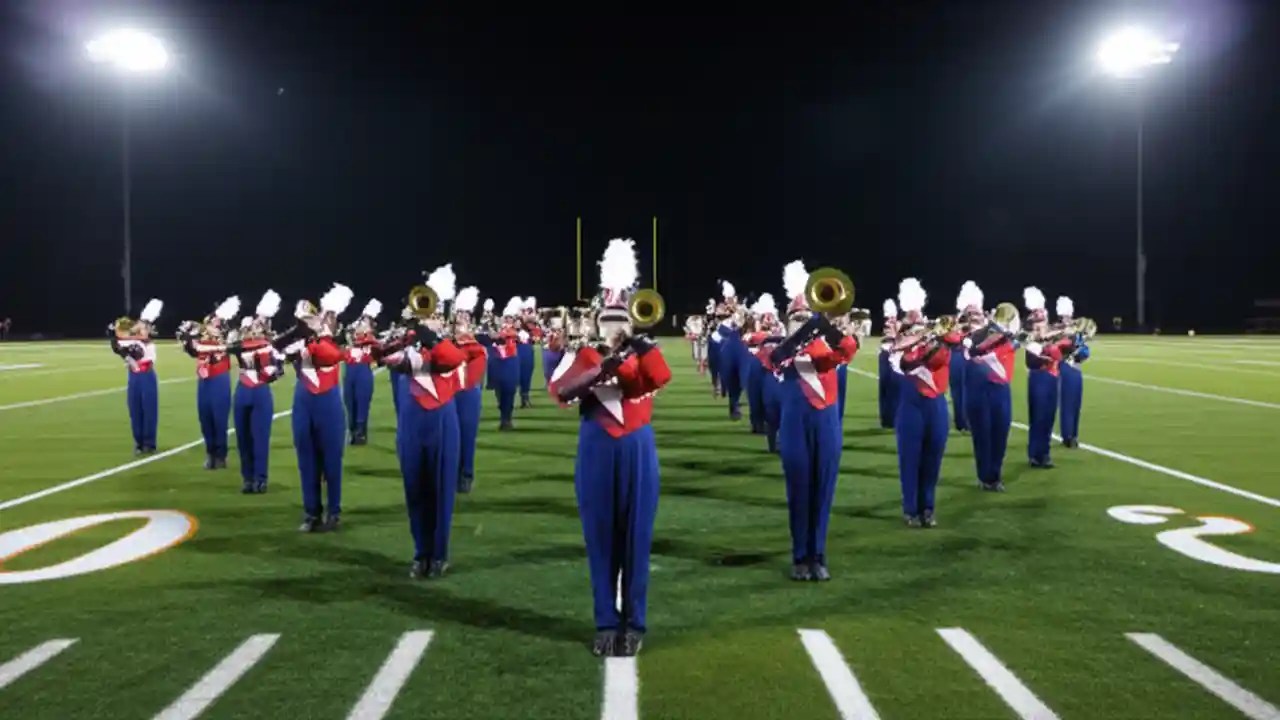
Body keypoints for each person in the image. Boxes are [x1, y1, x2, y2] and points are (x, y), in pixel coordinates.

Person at [550, 238, 671, 657]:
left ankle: (634, 622)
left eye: (623, 318)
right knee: (600, 538)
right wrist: (603, 363)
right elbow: (561, 392)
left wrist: (636, 345)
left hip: (637, 449)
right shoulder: (581, 354)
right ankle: (605, 620)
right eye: (609, 318)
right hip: (597, 449)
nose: (615, 326)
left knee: (637, 537)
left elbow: (657, 378)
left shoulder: (643, 352)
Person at [771, 260, 858, 580]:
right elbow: (773, 361)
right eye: (797, 317)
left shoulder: (829, 343)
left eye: (806, 316)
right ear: (788, 320)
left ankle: (818, 554)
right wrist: (800, 335)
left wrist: (825, 325)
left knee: (823, 488)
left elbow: (848, 350)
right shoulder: (779, 345)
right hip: (795, 422)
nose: (802, 321)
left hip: (827, 422)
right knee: (799, 488)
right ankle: (799, 556)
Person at [381, 309, 482, 579]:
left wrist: (428, 334)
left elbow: (451, 359)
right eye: (422, 316)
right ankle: (420, 553)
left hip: (441, 421)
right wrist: (406, 332)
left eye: (433, 315)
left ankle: (439, 554)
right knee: (414, 489)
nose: (427, 319)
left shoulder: (448, 344)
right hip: (411, 422)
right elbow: (382, 355)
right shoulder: (406, 342)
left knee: (440, 490)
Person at [277, 284, 352, 532]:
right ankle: (312, 513)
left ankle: (334, 511)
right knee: (306, 460)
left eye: (329, 316)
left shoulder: (335, 340)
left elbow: (328, 355)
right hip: (304, 402)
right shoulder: (302, 339)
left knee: (331, 461)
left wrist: (317, 334)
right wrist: (299, 331)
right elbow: (275, 350)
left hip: (328, 404)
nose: (323, 320)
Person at [892, 278, 962, 527]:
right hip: (911, 405)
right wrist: (919, 334)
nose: (916, 321)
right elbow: (903, 360)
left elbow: (955, 339)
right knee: (910, 459)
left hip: (937, 405)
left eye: (919, 317)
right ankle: (911, 509)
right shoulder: (900, 342)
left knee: (933, 459)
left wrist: (934, 333)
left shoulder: (939, 339)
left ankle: (928, 508)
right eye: (911, 322)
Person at [232, 290, 285, 494]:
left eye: (257, 327)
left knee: (260, 437)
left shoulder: (271, 346)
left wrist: (270, 370)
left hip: (260, 391)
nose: (253, 329)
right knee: (243, 437)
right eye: (251, 327)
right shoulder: (240, 344)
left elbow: (278, 370)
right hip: (243, 389)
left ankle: (261, 478)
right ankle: (247, 478)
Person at [178, 296, 239, 471]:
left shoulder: (227, 337)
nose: (212, 326)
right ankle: (210, 453)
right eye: (211, 322)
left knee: (219, 418)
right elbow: (193, 351)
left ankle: (221, 455)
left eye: (215, 323)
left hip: (219, 379)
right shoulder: (203, 338)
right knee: (205, 418)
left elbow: (230, 346)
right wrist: (187, 340)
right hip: (204, 380)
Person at [966, 302, 1019, 492]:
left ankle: (995, 476)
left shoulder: (1011, 335)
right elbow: (973, 351)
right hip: (982, 390)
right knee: (983, 435)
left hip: (1002, 389)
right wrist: (995, 335)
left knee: (1000, 435)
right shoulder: (978, 334)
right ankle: (984, 476)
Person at [109, 299, 162, 455]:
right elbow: (116, 345)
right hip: (133, 377)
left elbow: (137, 352)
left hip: (146, 375)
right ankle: (138, 442)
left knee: (149, 410)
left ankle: (149, 443)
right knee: (135, 410)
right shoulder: (130, 339)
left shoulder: (147, 342)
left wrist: (127, 348)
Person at [451, 285, 487, 493]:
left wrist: (463, 341)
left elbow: (473, 371)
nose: (458, 326)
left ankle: (466, 474)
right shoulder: (448, 344)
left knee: (466, 435)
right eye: (456, 322)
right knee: (449, 437)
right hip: (448, 395)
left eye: (463, 322)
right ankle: (450, 474)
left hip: (466, 395)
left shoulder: (475, 348)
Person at [343, 299, 382, 445]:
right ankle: (352, 430)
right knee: (349, 402)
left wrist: (365, 324)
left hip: (363, 372)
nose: (360, 324)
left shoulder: (371, 339)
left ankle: (361, 433)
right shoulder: (351, 336)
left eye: (364, 323)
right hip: (350, 372)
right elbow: (347, 333)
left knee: (362, 402)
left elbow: (370, 343)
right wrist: (358, 324)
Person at [1056, 296, 1089, 448]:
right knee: (1067, 403)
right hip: (1064, 368)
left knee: (1076, 404)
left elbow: (1086, 351)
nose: (1067, 319)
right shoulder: (1056, 330)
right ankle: (1067, 436)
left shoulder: (1077, 332)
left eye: (1069, 316)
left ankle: (1074, 434)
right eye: (1064, 316)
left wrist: (1081, 351)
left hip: (1076, 369)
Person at [950, 281, 984, 433]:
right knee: (957, 390)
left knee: (973, 391)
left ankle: (971, 420)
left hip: (974, 357)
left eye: (974, 311)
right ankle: (960, 421)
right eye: (969, 311)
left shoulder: (982, 322)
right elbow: (950, 337)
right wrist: (962, 325)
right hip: (957, 355)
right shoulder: (957, 321)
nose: (972, 314)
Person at [878, 299, 901, 429]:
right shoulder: (887, 324)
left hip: (894, 354)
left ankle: (894, 416)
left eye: (892, 316)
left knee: (894, 387)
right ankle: (886, 418)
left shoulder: (899, 324)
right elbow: (885, 337)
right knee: (884, 387)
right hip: (885, 353)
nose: (889, 319)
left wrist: (896, 329)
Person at [517, 297, 542, 407]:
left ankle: (525, 397)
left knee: (527, 374)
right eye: (526, 311)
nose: (529, 314)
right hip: (517, 350)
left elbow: (537, 336)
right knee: (517, 375)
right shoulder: (517, 322)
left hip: (527, 349)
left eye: (530, 311)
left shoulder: (533, 325)